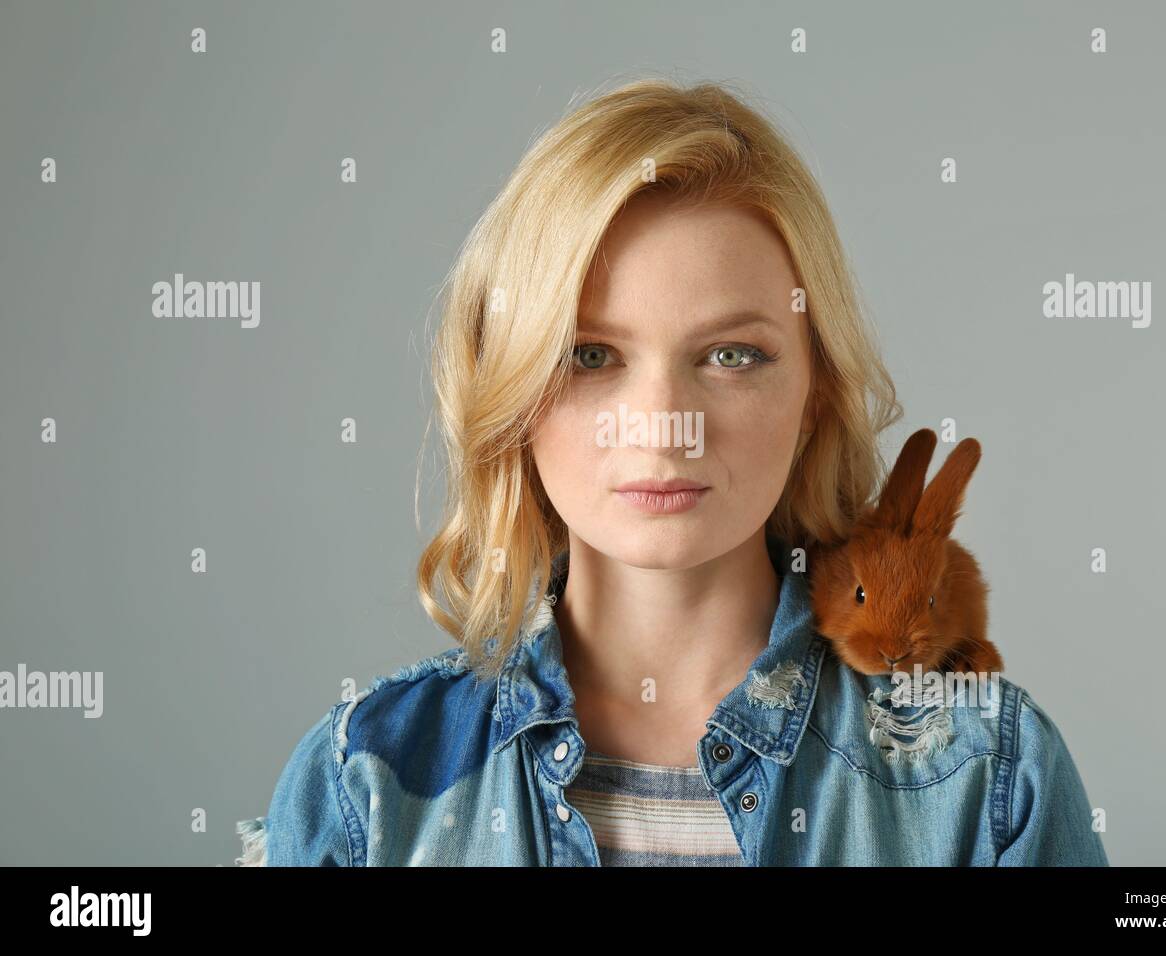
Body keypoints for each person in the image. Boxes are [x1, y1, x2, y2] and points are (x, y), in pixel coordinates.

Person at [235, 77, 1108, 867]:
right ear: (509, 388)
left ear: (816, 389)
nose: (664, 426)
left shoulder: (988, 781)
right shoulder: (365, 789)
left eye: (732, 354)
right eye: (589, 355)